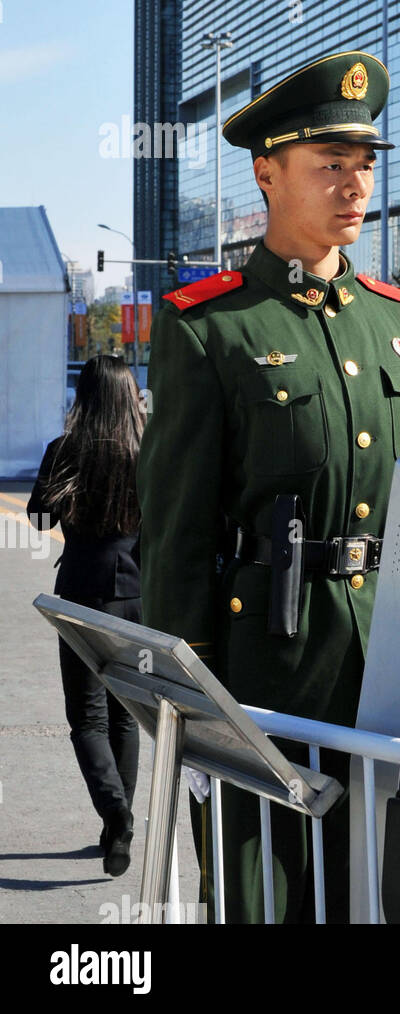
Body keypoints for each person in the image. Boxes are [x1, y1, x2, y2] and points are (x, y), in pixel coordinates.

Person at [137, 51, 400, 923]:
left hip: (384, 663)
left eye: (363, 165)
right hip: (261, 671)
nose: (355, 185)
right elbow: (179, 533)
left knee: (384, 887)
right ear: (267, 173)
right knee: (262, 894)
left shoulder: (399, 323)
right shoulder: (211, 325)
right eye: (329, 166)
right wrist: (185, 707)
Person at [28, 355, 145, 878]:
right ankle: (119, 822)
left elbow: (37, 517)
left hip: (79, 588)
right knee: (125, 712)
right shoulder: (149, 452)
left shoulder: (65, 449)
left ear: (85, 397)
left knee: (87, 715)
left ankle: (115, 815)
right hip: (139, 593)